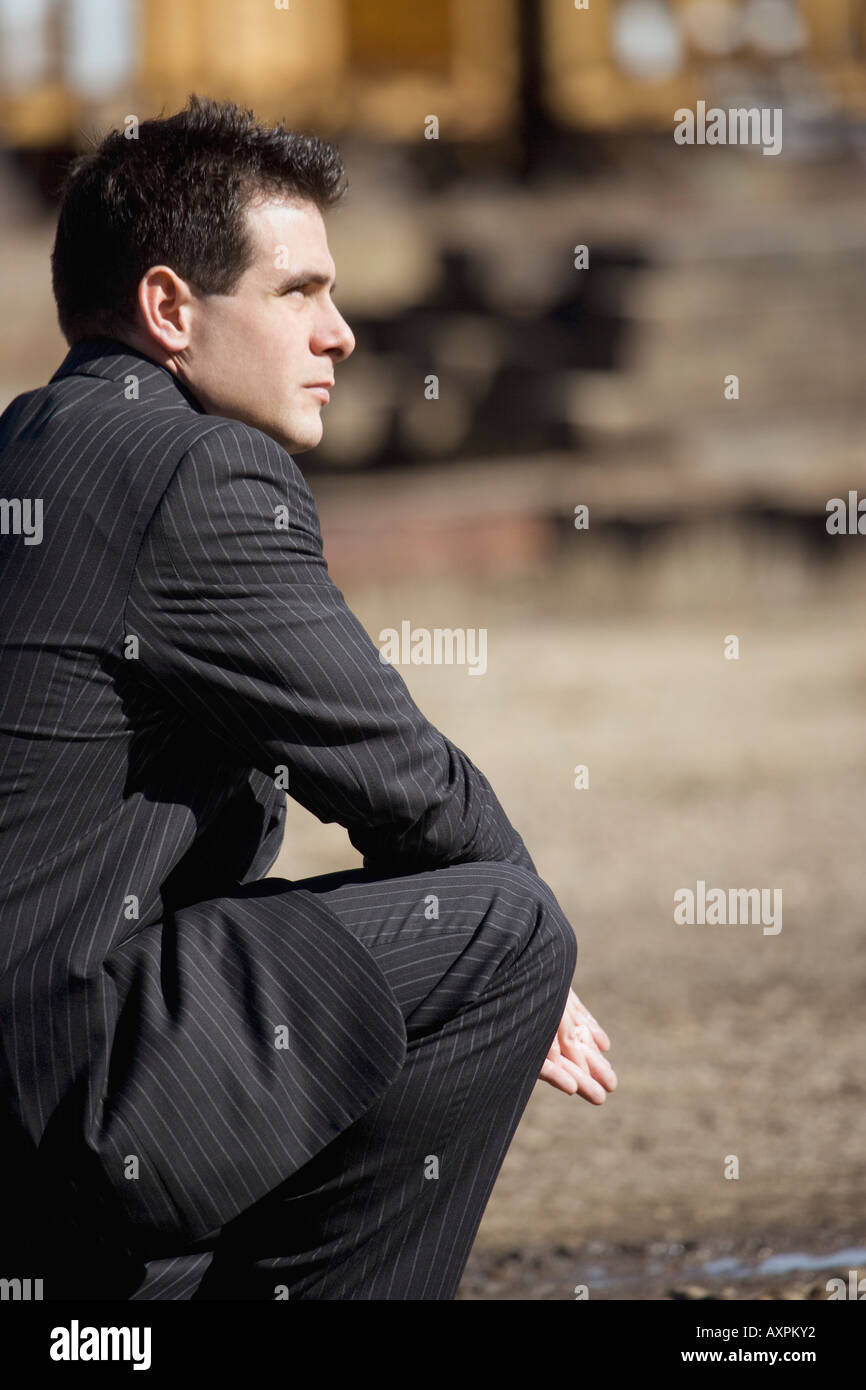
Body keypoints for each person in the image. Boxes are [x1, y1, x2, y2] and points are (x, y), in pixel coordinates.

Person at [0, 95, 616, 1301]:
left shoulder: (27, 443)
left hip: (36, 1098)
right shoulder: (197, 469)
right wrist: (542, 970)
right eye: (297, 293)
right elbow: (399, 775)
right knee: (500, 930)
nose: (339, 333)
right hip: (62, 1101)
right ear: (171, 308)